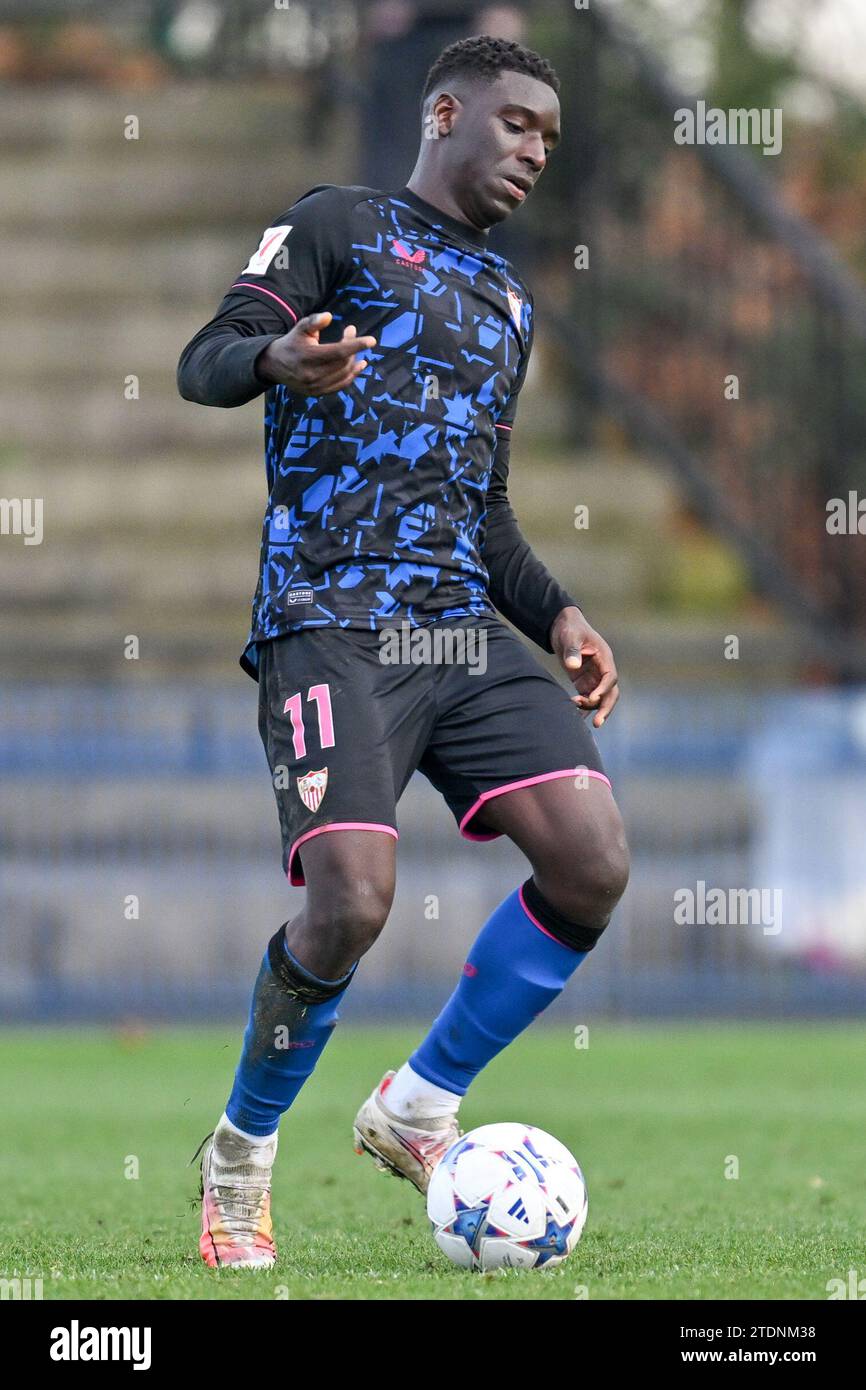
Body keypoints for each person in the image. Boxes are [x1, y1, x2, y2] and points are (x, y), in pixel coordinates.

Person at [177, 33, 629, 1270]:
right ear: (444, 112)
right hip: (327, 620)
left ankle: (418, 1102)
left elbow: (482, 506)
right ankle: (239, 1158)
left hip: (460, 627)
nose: (535, 150)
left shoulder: (508, 303)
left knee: (590, 862)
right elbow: (203, 360)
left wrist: (560, 615)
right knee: (352, 902)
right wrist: (279, 358)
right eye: (516, 123)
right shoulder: (335, 224)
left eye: (548, 135)